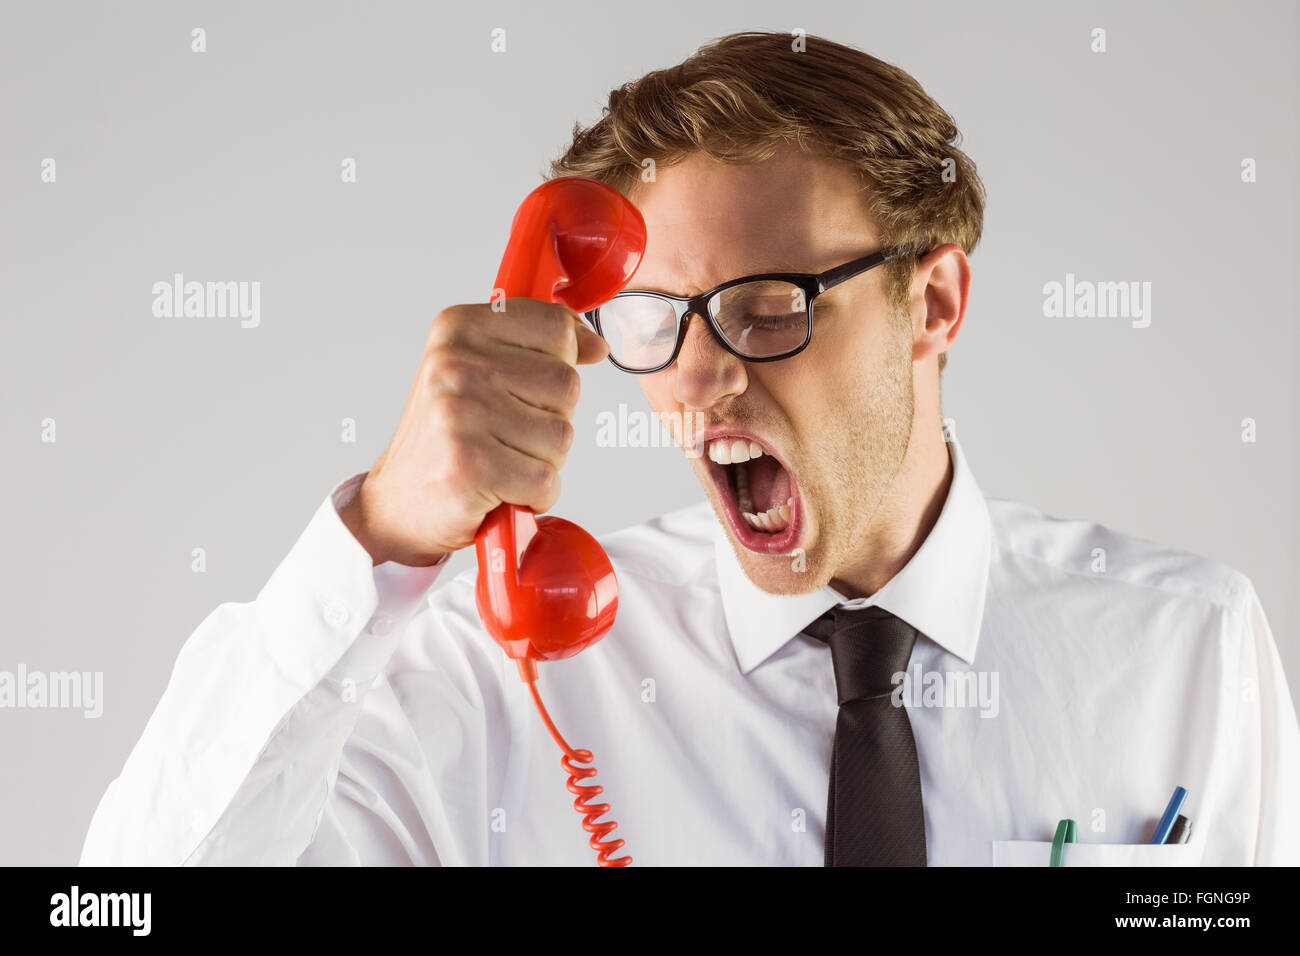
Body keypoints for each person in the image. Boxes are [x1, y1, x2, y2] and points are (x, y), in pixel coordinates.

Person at [80, 30, 1299, 866]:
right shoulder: (507, 684)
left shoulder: (1186, 649)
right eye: (657, 319)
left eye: (768, 304)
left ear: (933, 304)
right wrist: (384, 536)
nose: (702, 374)